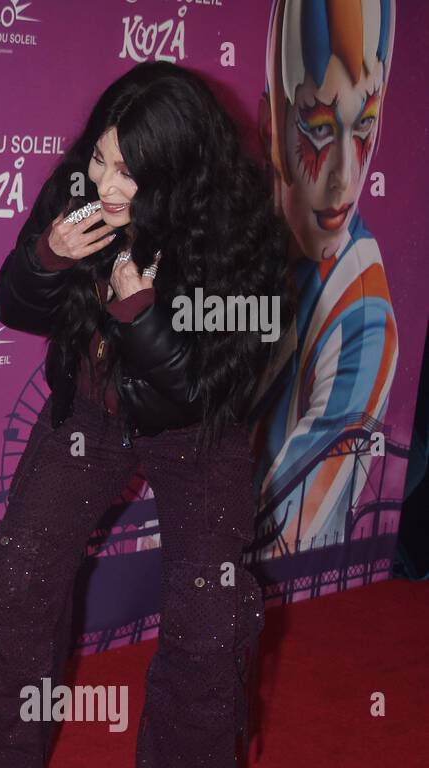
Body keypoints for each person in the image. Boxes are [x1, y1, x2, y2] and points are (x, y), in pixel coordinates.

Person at [0, 62, 292, 768]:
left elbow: (213, 389)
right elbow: (15, 306)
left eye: (127, 170)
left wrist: (138, 314)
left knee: (213, 617)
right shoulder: (76, 195)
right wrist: (47, 256)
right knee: (14, 577)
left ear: (178, 170)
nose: (103, 181)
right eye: (99, 157)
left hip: (197, 430)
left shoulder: (246, 238)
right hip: (93, 409)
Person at [251, 0, 398, 559]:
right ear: (272, 125)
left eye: (363, 126)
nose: (346, 174)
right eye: (318, 128)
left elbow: (280, 533)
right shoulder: (244, 235)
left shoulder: (359, 315)